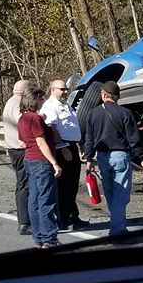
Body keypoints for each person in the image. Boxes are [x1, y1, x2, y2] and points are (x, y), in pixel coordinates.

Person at [81, 82, 143, 239]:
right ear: (118, 96)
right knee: (121, 194)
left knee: (111, 193)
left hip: (102, 157)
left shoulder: (93, 114)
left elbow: (89, 139)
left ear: (104, 95)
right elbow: (134, 139)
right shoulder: (125, 113)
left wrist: (89, 158)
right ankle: (117, 230)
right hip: (120, 156)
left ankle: (117, 225)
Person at [17, 87, 63, 249]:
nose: (43, 101)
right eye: (40, 99)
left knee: (34, 201)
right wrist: (54, 162)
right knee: (46, 201)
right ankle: (49, 238)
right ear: (34, 100)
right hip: (41, 161)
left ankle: (39, 238)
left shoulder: (22, 118)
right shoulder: (34, 119)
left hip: (29, 160)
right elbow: (40, 141)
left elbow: (23, 141)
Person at [40, 78, 87, 232]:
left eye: (66, 89)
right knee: (63, 185)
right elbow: (52, 129)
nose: (65, 91)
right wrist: (62, 147)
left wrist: (80, 145)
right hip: (62, 147)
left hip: (72, 145)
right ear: (52, 89)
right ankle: (62, 218)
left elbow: (73, 127)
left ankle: (73, 215)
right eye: (61, 89)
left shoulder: (66, 105)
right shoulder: (50, 106)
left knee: (73, 185)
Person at [1, 79, 33, 235]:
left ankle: (27, 219)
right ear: (25, 91)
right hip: (19, 149)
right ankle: (25, 222)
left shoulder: (11, 101)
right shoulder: (17, 104)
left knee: (24, 183)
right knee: (24, 184)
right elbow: (23, 121)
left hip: (14, 147)